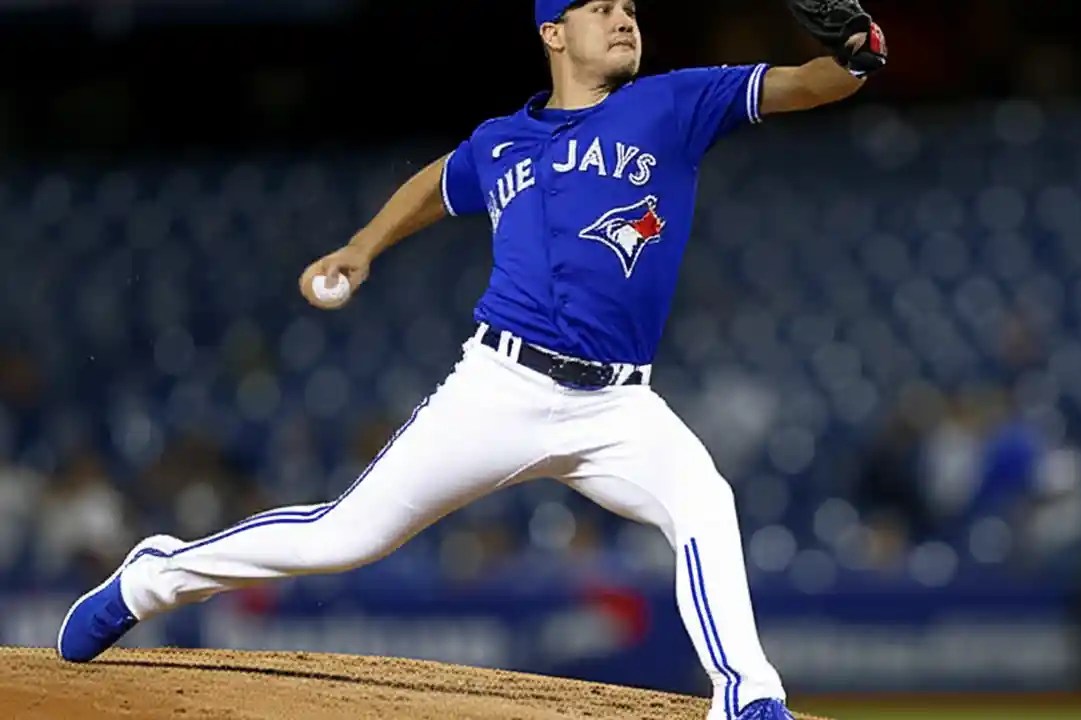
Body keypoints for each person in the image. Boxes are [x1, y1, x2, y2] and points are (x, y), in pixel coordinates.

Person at [56, 2, 886, 718]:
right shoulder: (504, 142)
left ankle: (744, 694)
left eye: (630, 8)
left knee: (704, 500)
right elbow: (435, 182)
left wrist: (859, 55)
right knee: (344, 535)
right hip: (501, 386)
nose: (625, 17)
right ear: (554, 34)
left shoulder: (674, 102)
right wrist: (363, 244)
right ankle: (155, 577)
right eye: (602, 9)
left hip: (618, 406)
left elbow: (808, 84)